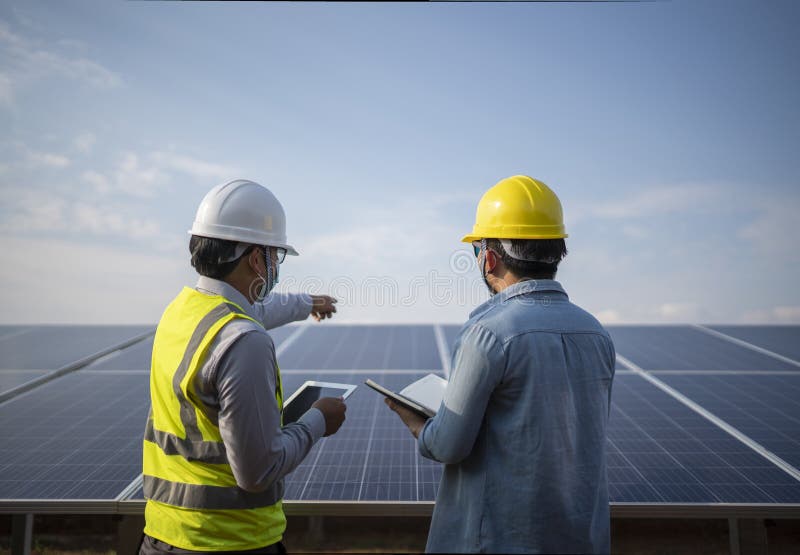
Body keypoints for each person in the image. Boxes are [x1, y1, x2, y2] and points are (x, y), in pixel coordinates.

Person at [386, 175, 615, 554]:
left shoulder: (489, 333)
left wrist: (419, 426)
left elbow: (448, 446)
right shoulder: (596, 333)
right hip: (580, 540)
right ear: (557, 251)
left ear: (488, 257)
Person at [140, 179, 347, 554]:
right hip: (232, 540)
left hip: (163, 535)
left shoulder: (180, 314)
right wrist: (318, 420)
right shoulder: (244, 342)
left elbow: (249, 310)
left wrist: (306, 304)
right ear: (256, 259)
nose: (276, 267)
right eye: (276, 256)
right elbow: (257, 471)